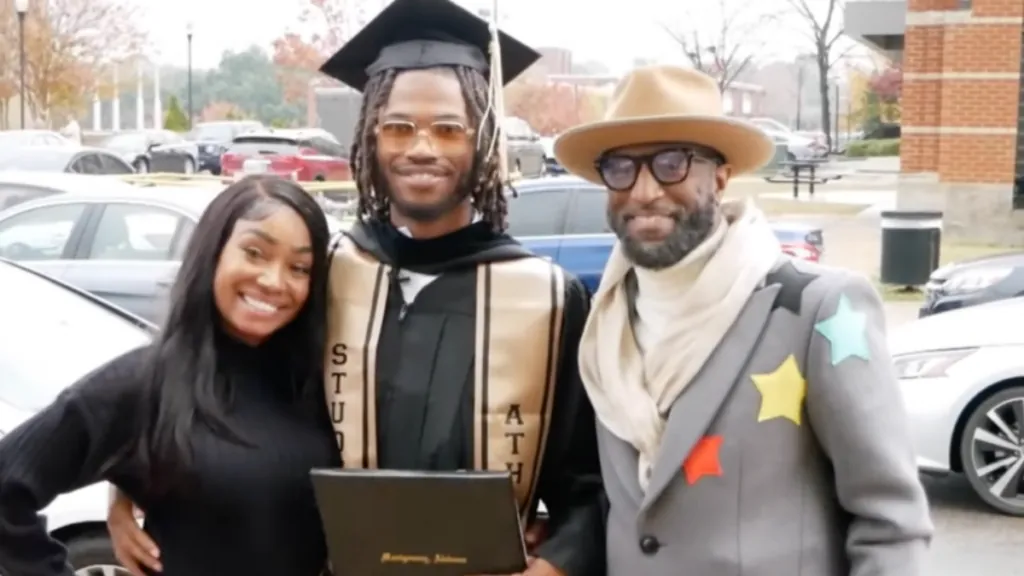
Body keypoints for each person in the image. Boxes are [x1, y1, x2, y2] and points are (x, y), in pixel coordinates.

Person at [107, 1, 605, 575]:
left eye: (449, 128)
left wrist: (558, 564)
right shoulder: (324, 274)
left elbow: (590, 484)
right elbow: (209, 389)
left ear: (484, 140)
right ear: (370, 136)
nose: (422, 148)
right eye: (398, 127)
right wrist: (126, 479)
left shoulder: (548, 300)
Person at [552, 65, 934, 575]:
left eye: (671, 162)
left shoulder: (819, 311)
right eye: (620, 167)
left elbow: (892, 526)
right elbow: (625, 506)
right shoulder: (602, 325)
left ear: (722, 173)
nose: (643, 191)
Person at [0, 175, 335, 576]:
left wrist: (121, 493)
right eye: (255, 252)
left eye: (299, 267)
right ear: (213, 253)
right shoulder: (145, 384)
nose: (274, 281)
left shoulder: (322, 384)